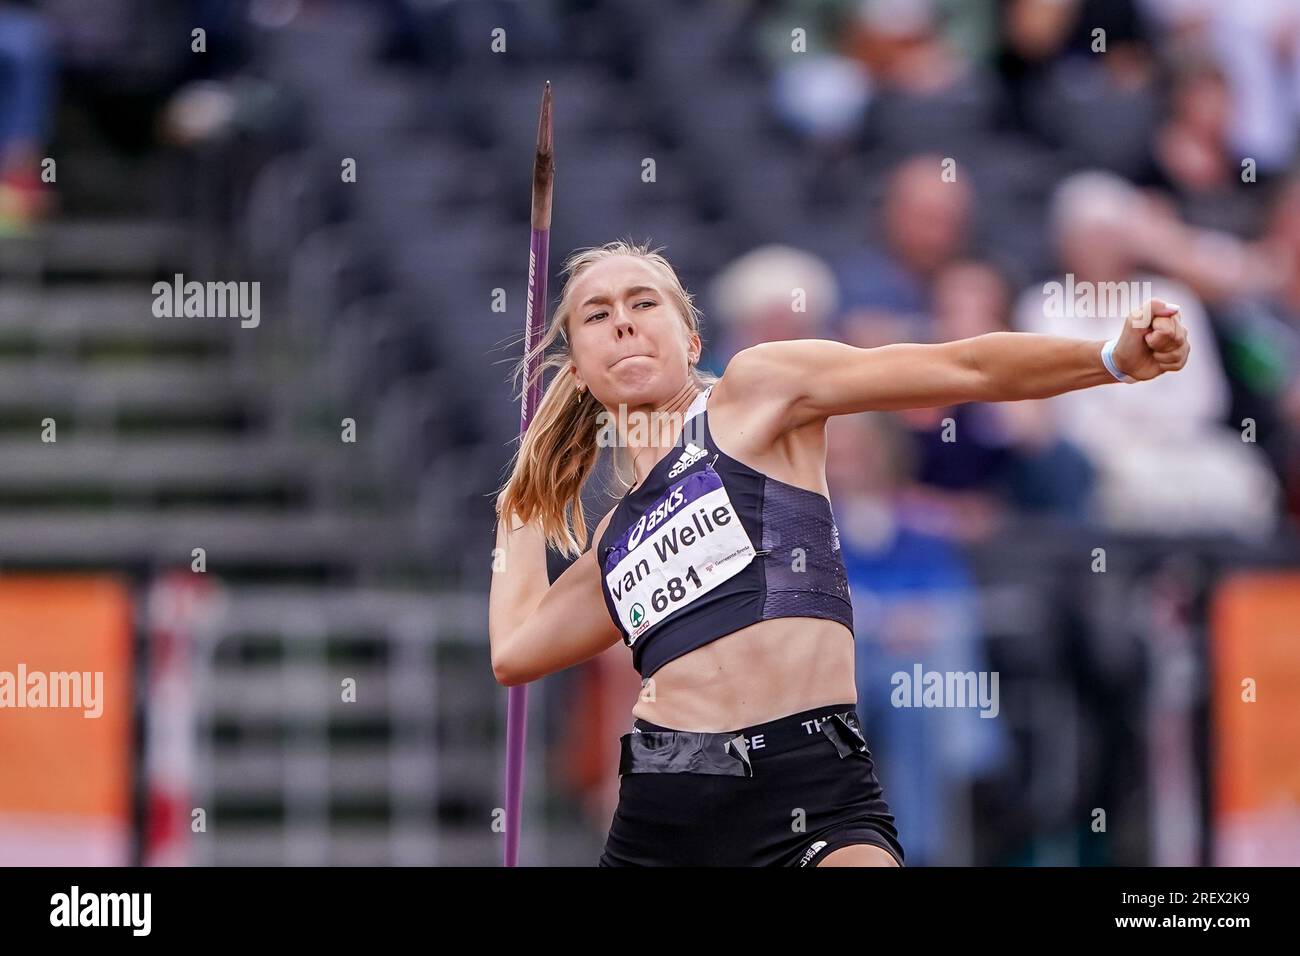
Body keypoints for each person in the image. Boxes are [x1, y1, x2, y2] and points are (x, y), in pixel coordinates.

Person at [488, 238, 1189, 867]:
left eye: (643, 302)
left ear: (692, 339)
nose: (623, 321)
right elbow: (515, 651)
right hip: (668, 802)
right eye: (597, 314)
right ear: (578, 370)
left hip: (812, 781)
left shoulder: (757, 393)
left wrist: (1108, 361)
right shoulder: (616, 535)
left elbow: (964, 366)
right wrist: (518, 509)